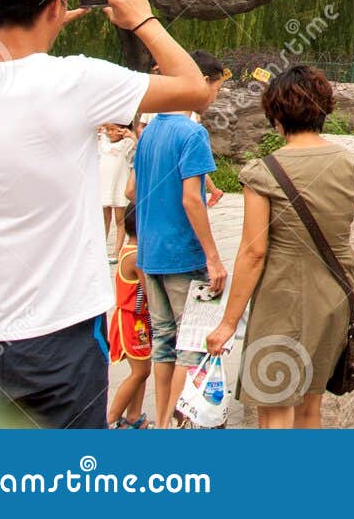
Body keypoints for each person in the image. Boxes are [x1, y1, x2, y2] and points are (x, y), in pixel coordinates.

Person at [0, 0, 216, 428]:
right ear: (61, 2)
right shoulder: (79, 80)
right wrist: (142, 19)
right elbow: (193, 88)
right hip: (60, 344)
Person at [204, 65, 354, 429]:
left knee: (275, 409)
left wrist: (227, 323)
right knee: (310, 407)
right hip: (333, 299)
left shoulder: (264, 172)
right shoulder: (352, 165)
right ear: (324, 109)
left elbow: (253, 252)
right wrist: (347, 268)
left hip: (281, 300)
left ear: (276, 115)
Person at [129, 49, 229, 429]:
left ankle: (160, 422)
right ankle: (178, 426)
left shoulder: (150, 130)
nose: (215, 95)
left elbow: (131, 191)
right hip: (182, 256)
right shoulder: (192, 133)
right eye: (215, 86)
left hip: (149, 253)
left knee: (162, 345)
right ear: (201, 82)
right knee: (190, 347)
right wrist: (213, 258)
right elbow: (192, 198)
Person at [106, 204, 152, 428]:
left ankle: (134, 416)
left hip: (135, 320)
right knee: (141, 371)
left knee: (141, 370)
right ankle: (110, 419)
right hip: (131, 321)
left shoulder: (129, 251)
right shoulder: (135, 257)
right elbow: (150, 292)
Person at [99, 119, 139, 263]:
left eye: (114, 129)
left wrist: (130, 135)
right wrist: (100, 129)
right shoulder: (102, 142)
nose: (110, 132)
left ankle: (117, 250)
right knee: (104, 218)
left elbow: (139, 146)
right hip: (104, 186)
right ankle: (101, 248)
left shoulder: (126, 143)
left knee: (120, 220)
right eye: (108, 129)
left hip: (119, 186)